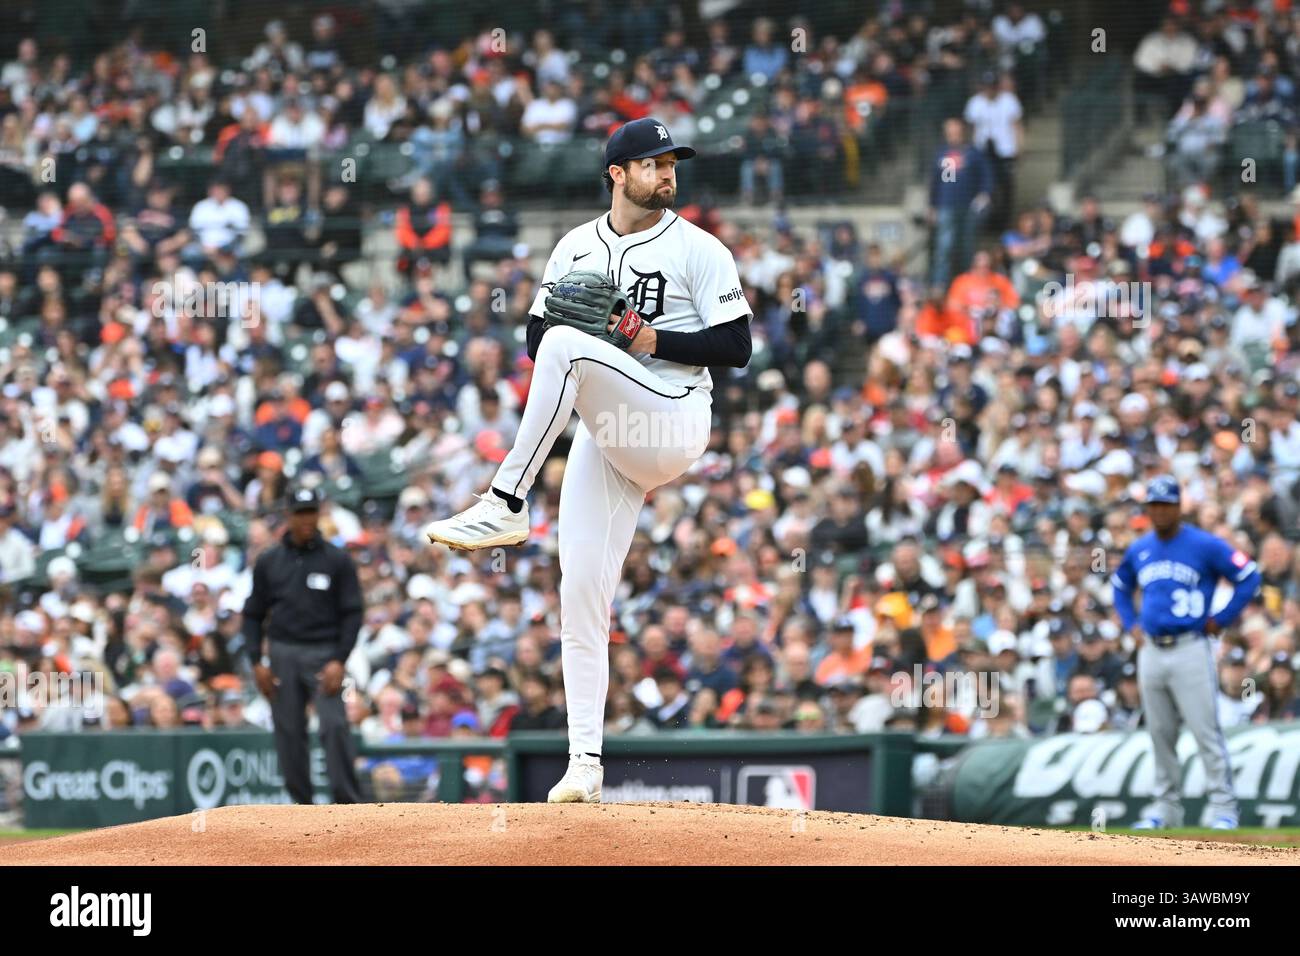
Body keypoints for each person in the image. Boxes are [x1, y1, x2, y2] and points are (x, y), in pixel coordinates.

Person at [424, 117, 751, 803]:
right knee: (579, 592)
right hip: (611, 432)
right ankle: (585, 765)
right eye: (654, 163)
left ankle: (505, 501)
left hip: (672, 416)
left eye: (672, 163)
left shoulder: (699, 248)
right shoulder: (575, 246)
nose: (668, 174)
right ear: (618, 174)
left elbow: (737, 346)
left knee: (566, 349)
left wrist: (646, 337)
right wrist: (587, 329)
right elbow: (535, 334)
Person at [1110, 475, 1262, 831]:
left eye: (1166, 505)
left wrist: (1221, 619)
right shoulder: (1140, 548)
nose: (1160, 512)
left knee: (1205, 731)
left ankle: (1224, 809)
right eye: (1154, 505)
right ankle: (1165, 810)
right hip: (1151, 649)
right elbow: (1119, 586)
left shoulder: (1204, 544)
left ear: (1179, 507)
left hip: (1190, 647)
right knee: (1160, 733)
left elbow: (1249, 575)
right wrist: (1130, 623)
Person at [241, 486, 364, 804]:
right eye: (300, 513)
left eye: (311, 512)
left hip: (324, 652)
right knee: (288, 730)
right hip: (282, 651)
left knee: (334, 725)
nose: (307, 519)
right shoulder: (269, 560)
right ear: (288, 515)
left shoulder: (337, 559)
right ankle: (301, 808)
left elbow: (353, 613)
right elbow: (253, 614)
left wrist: (340, 659)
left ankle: (348, 805)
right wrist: (256, 662)